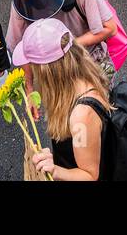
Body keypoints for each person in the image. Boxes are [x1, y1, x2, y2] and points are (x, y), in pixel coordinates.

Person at [0, 0, 121, 82]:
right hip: (55, 74)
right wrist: (28, 88)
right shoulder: (20, 1)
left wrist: (65, 47)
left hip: (90, 60)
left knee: (100, 101)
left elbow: (110, 28)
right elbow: (19, 49)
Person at [20, 18, 113, 182]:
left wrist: (54, 170)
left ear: (47, 72)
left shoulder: (81, 116)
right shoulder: (80, 73)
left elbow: (89, 175)